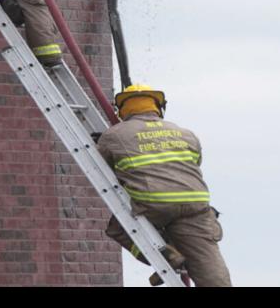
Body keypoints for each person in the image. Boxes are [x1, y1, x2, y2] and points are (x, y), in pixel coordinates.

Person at [97, 86, 233, 288]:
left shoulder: (114, 135)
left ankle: (166, 255)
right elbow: (194, 163)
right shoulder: (186, 134)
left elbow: (107, 169)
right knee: (210, 268)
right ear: (158, 107)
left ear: (123, 110)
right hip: (195, 205)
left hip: (153, 205)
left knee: (119, 227)